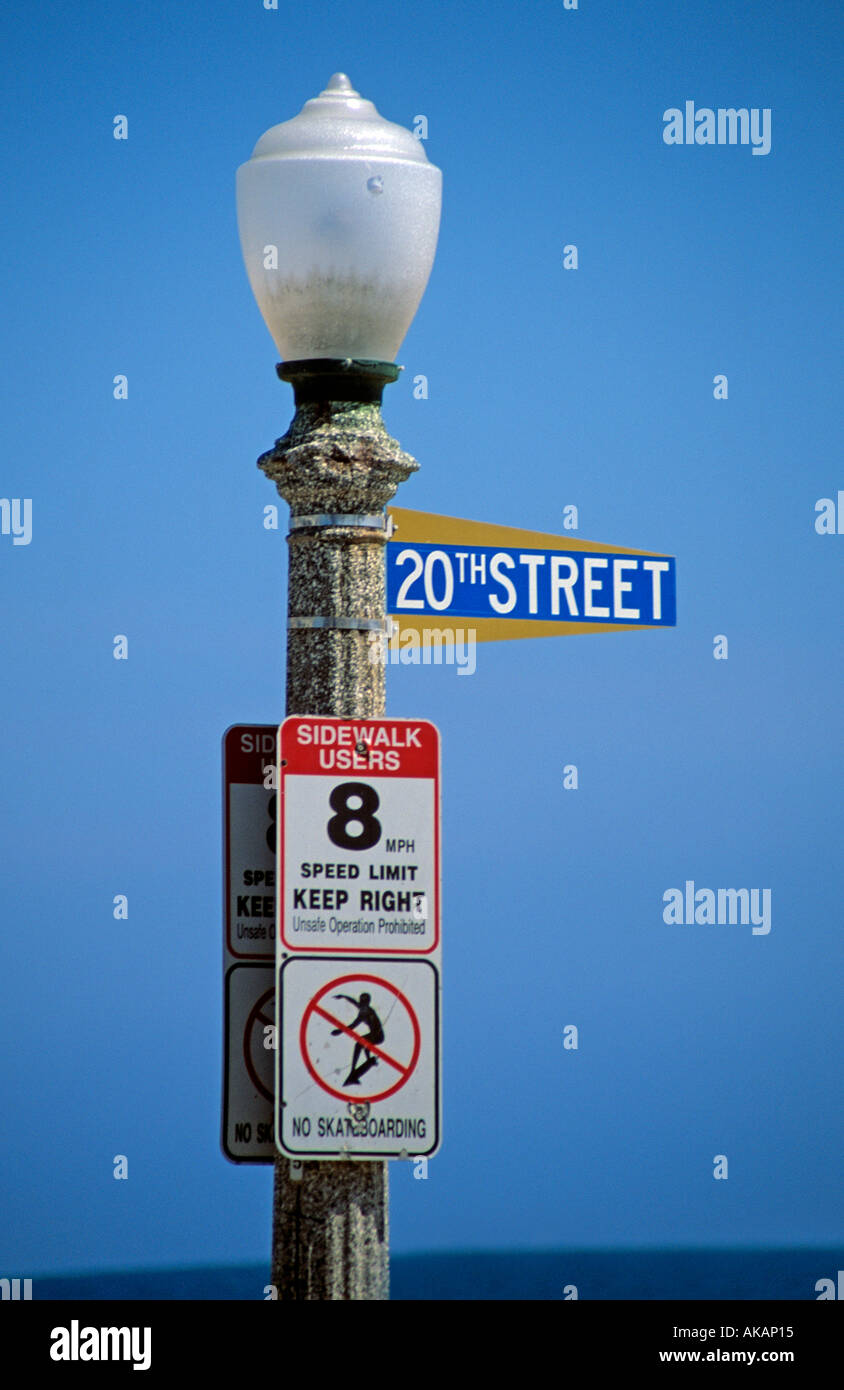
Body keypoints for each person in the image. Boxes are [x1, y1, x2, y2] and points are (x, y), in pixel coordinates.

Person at [332, 992, 384, 1085]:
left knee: (359, 1043)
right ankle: (360, 1066)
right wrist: (343, 996)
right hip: (373, 1035)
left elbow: (353, 1025)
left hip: (378, 1036)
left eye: (364, 1002)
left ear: (368, 1003)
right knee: (361, 1043)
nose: (362, 1004)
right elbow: (353, 1001)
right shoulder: (362, 1008)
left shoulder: (366, 1013)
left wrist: (339, 1031)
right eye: (361, 1002)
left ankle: (353, 1070)